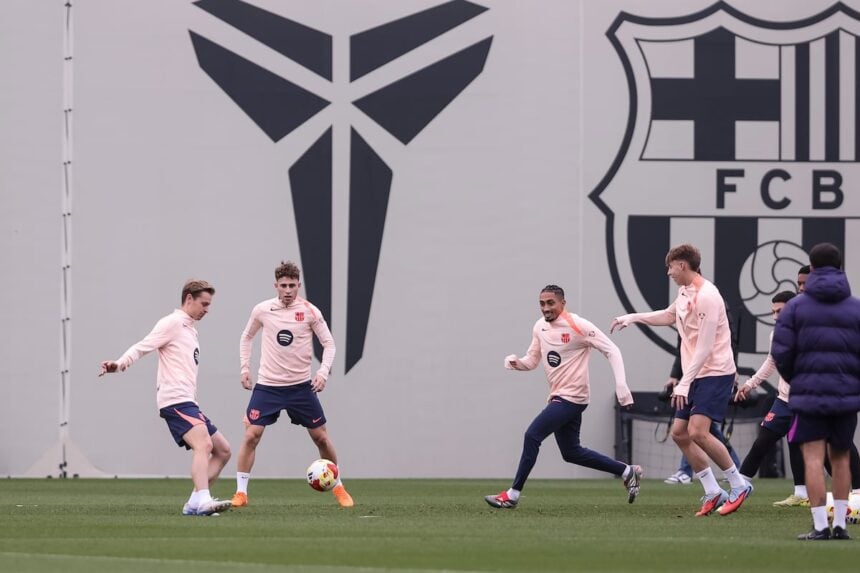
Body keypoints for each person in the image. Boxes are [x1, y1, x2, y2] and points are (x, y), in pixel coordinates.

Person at [611, 243, 751, 516]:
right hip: (695, 374)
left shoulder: (708, 296)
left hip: (715, 373)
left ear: (683, 265)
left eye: (671, 267)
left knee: (698, 432)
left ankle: (738, 484)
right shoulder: (685, 291)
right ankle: (713, 491)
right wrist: (633, 318)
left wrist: (684, 382)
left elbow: (705, 347)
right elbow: (669, 315)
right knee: (679, 433)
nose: (668, 273)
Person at [484, 285, 642, 509]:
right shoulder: (540, 327)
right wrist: (516, 363)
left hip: (572, 398)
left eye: (551, 303)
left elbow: (612, 350)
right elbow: (532, 360)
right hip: (560, 397)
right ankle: (627, 471)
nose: (545, 308)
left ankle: (512, 495)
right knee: (571, 452)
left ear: (563, 303)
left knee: (532, 435)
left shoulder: (578, 325)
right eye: (542, 303)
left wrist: (621, 384)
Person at [98, 279, 232, 516]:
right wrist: (118, 365)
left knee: (223, 450)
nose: (207, 310)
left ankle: (194, 503)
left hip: (188, 401)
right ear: (189, 298)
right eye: (204, 304)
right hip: (175, 400)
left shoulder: (190, 328)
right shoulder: (172, 323)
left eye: (209, 305)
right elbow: (142, 346)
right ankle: (203, 500)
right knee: (203, 445)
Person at [231, 261, 353, 508]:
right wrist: (245, 368)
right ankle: (241, 493)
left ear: (299, 285)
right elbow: (246, 337)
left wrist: (323, 373)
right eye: (283, 285)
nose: (288, 290)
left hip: (300, 388)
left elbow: (329, 344)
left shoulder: (310, 311)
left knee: (321, 438)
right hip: (268, 386)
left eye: (292, 286)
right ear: (275, 285)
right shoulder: (263, 310)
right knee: (251, 435)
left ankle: (339, 487)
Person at [772, 243, 860, 540]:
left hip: (809, 394)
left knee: (813, 458)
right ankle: (841, 525)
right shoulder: (856, 308)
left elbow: (781, 352)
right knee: (841, 458)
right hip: (846, 395)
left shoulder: (795, 308)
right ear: (839, 266)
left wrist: (797, 380)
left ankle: (821, 525)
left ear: (811, 267)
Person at [733, 291, 804, 500]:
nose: (775, 317)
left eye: (779, 311)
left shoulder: (809, 332)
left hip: (805, 402)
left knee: (814, 449)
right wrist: (750, 384)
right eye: (773, 312)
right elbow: (772, 361)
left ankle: (852, 493)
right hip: (783, 401)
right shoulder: (777, 334)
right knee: (762, 441)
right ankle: (739, 486)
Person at [663, 335, 741, 485]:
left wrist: (733, 367)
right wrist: (676, 375)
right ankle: (714, 487)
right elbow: (684, 345)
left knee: (697, 430)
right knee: (680, 432)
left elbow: (723, 342)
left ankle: (737, 481)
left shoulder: (714, 318)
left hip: (712, 375)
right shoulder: (682, 319)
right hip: (692, 377)